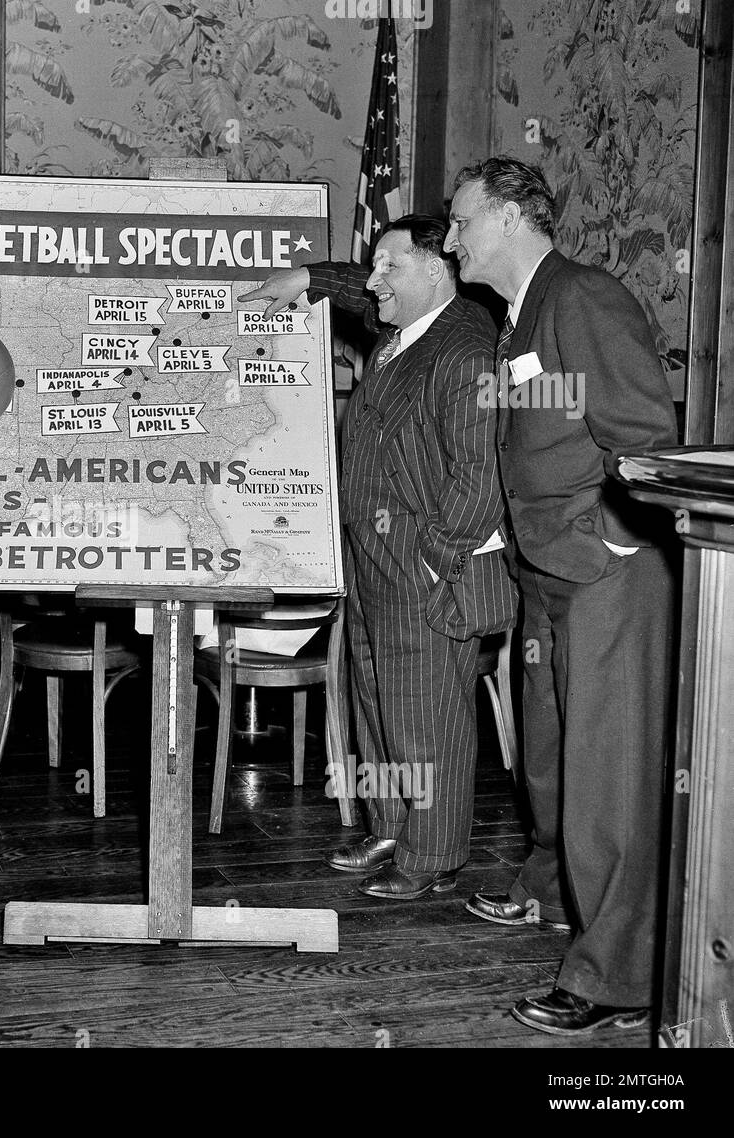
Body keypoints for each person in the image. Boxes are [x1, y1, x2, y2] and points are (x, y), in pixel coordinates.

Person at [445, 156, 677, 1035]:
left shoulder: (582, 296)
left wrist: (615, 540)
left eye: (463, 221)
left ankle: (618, 978)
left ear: (509, 217)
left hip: (607, 576)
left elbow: (645, 438)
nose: (453, 237)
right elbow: (547, 439)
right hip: (546, 572)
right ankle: (554, 892)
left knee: (609, 780)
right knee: (548, 759)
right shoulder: (514, 318)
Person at [241, 216, 515, 900]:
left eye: (388, 265)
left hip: (426, 565)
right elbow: (360, 295)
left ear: (436, 269)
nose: (372, 282)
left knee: (426, 712)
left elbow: (481, 478)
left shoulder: (465, 350)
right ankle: (393, 822)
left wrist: (433, 559)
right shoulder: (407, 328)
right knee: (378, 698)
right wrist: (308, 277)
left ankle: (433, 855)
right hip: (373, 558)